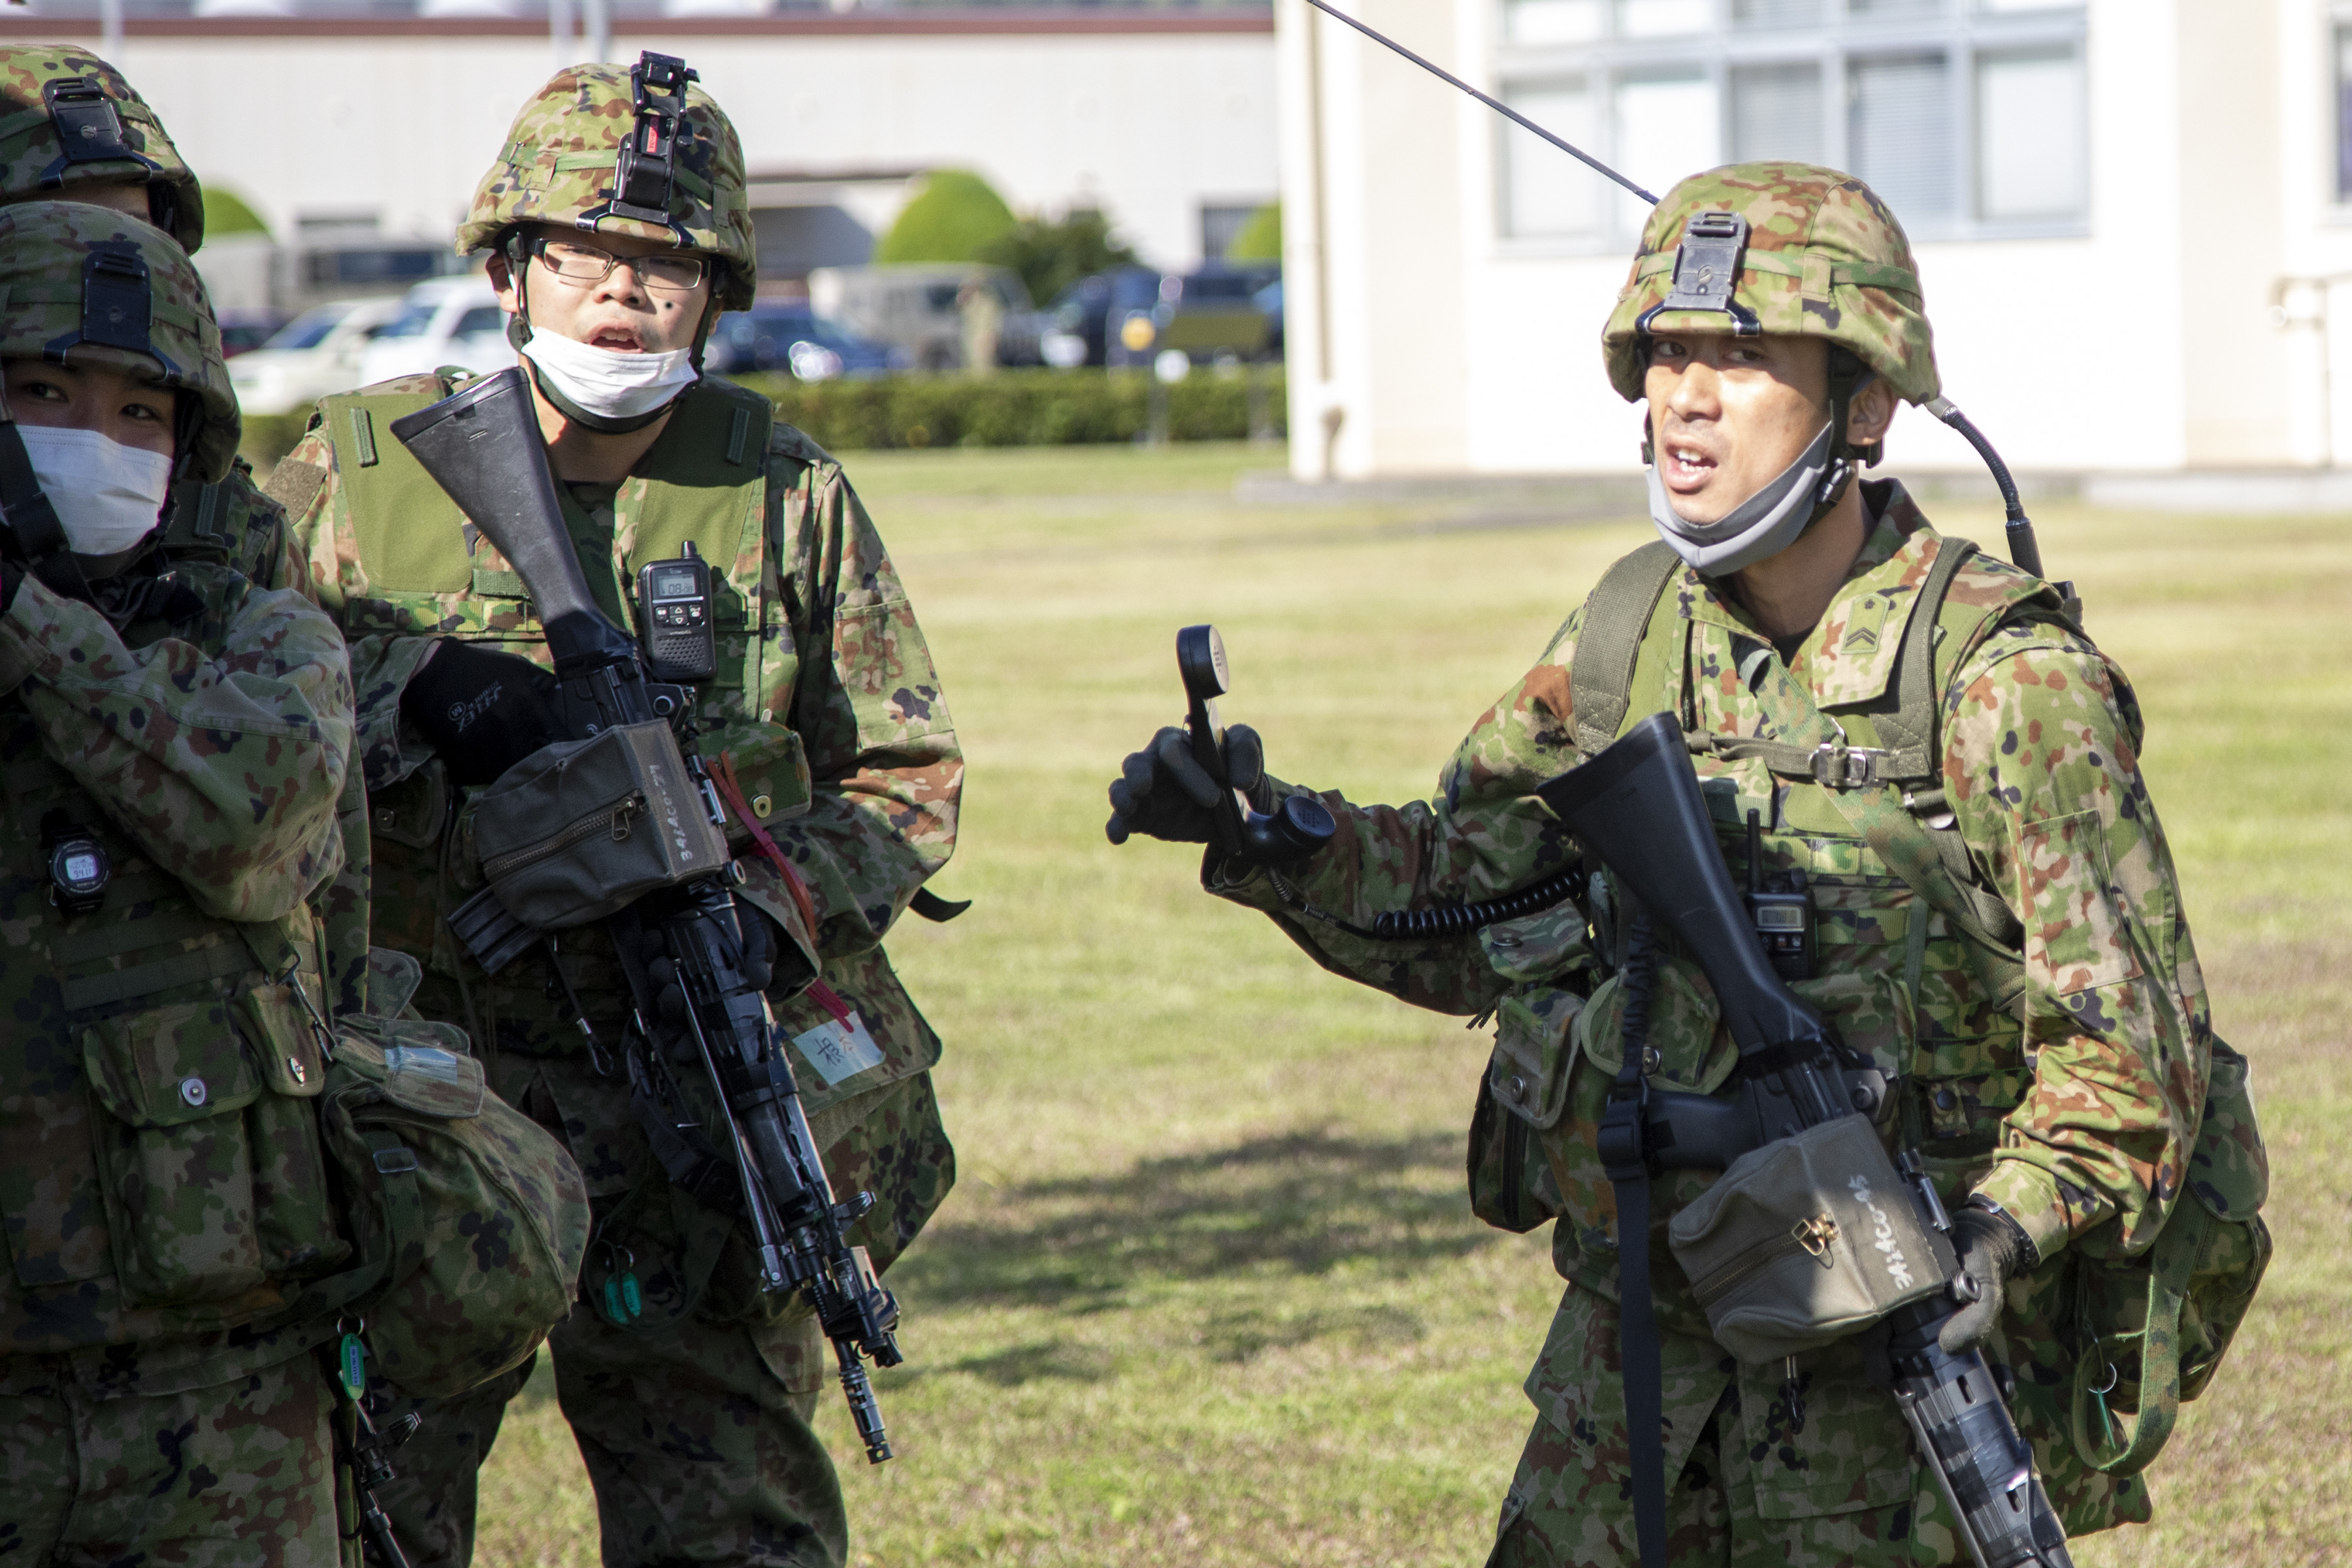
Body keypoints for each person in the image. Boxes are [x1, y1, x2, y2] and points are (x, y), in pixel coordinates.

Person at [1106, 163, 2231, 1565]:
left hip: (1876, 1401)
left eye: (1742, 356)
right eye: (1669, 353)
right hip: (1632, 1370)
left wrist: (1993, 1235)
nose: (1684, 396)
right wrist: (1272, 833)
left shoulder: (2004, 684)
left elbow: (2137, 1050)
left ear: (1867, 403)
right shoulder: (1630, 636)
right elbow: (1472, 883)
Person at [272, 52, 963, 1568]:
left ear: (714, 295)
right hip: (428, 1086)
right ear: (513, 272)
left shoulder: (782, 489)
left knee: (731, 1513)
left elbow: (906, 781)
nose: (623, 295)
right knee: (376, 1501)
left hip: (683, 1086)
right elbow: (244, 716)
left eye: (666, 263)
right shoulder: (358, 474)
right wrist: (420, 690)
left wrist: (744, 886)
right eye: (584, 254)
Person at [0, 201, 357, 1566]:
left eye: (141, 413)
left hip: (223, 1395)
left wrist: (27, 627)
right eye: (42, 392)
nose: (95, 437)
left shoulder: (260, 634)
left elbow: (253, 823)